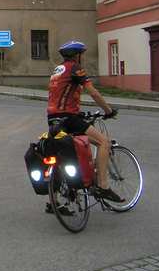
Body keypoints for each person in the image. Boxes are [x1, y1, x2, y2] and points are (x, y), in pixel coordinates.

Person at [46, 40, 123, 206]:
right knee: (104, 142)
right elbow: (93, 93)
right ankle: (103, 186)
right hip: (69, 118)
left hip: (53, 119)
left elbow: (60, 95)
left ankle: (56, 200)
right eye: (82, 54)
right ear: (77, 55)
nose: (83, 57)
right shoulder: (75, 68)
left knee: (64, 153)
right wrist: (108, 110)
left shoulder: (57, 70)